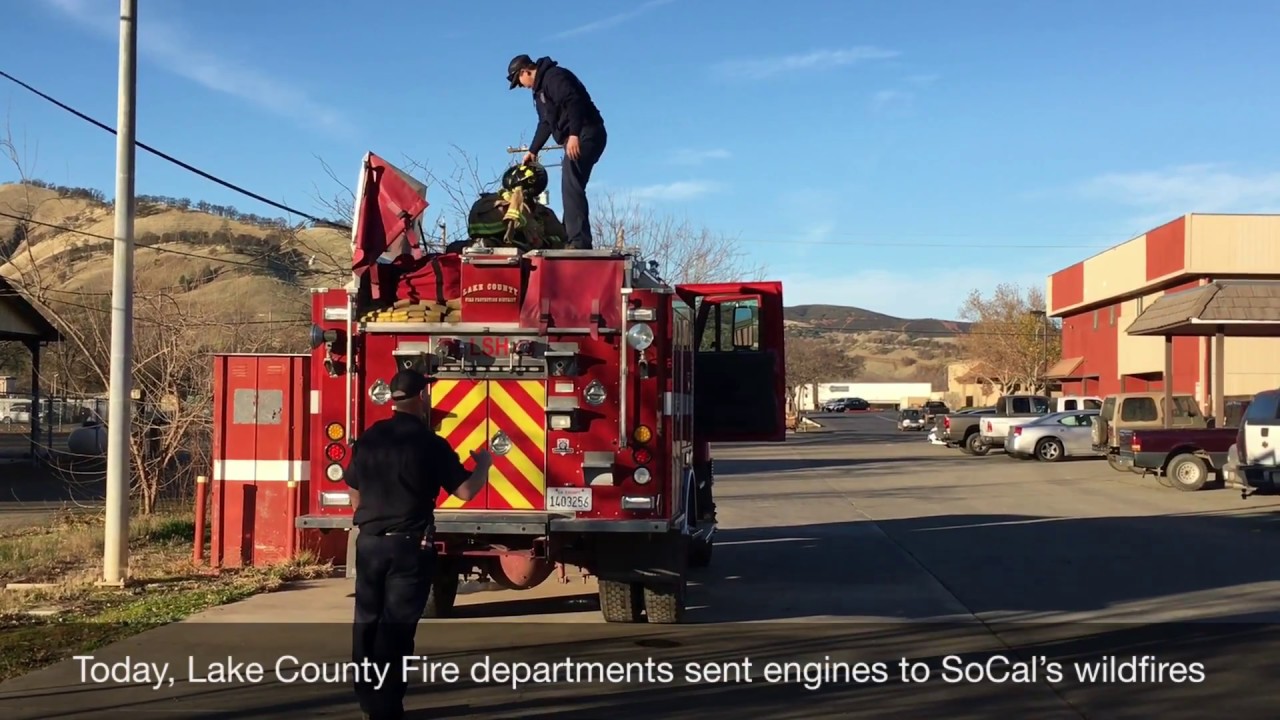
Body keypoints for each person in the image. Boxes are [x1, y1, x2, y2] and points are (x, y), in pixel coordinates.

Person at [343, 368, 493, 720]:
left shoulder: (370, 438)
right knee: (396, 628)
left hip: (369, 543)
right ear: (422, 397)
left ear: (393, 398)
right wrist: (484, 466)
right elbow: (465, 491)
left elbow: (352, 488)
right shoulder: (430, 444)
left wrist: (368, 515)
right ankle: (387, 707)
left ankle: (368, 699)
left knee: (366, 622)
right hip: (408, 548)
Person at [508, 53, 607, 249]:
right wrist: (533, 150)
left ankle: (578, 240)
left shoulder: (554, 77)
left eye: (519, 82)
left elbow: (574, 101)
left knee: (571, 176)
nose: (522, 86)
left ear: (525, 71)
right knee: (572, 185)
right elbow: (546, 123)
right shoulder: (539, 93)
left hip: (588, 132)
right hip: (577, 135)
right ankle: (569, 234)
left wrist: (574, 134)